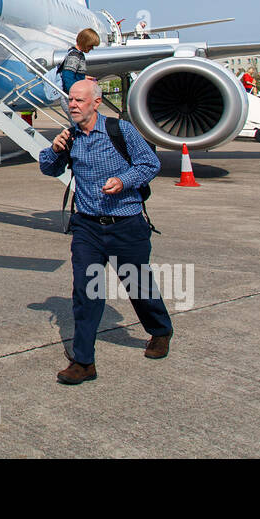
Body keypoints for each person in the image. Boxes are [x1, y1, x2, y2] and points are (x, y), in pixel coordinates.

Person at [39, 79, 172, 385]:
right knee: (86, 291)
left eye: (79, 100)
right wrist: (54, 149)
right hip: (87, 226)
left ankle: (160, 330)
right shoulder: (69, 137)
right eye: (70, 100)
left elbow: (149, 164)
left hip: (125, 224)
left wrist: (124, 181)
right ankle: (84, 362)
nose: (73, 105)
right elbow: (49, 169)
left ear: (96, 103)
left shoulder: (120, 131)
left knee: (137, 283)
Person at [59, 28, 101, 93]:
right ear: (85, 43)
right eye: (90, 45)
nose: (92, 48)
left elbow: (74, 75)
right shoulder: (74, 56)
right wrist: (76, 94)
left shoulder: (78, 55)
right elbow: (67, 77)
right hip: (72, 96)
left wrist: (84, 78)